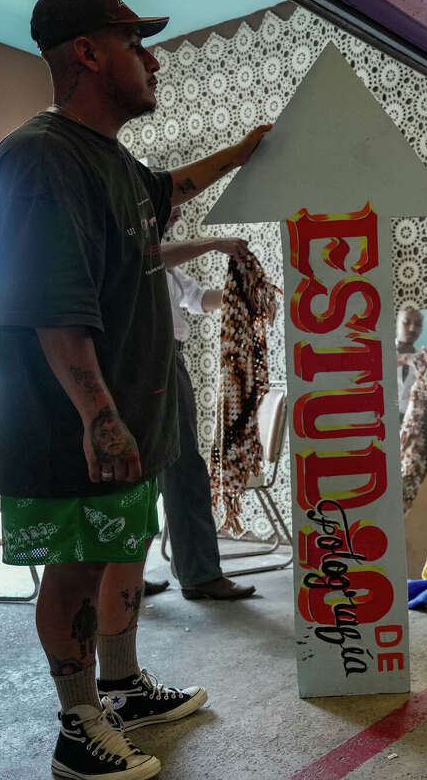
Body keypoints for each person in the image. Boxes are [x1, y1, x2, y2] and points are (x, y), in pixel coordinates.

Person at [0, 0, 270, 778]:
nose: (152, 61)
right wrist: (99, 417)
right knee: (77, 565)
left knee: (121, 549)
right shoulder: (42, 158)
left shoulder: (110, 160)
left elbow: (167, 192)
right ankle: (79, 726)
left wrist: (242, 153)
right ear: (88, 53)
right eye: (135, 45)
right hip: (67, 424)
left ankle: (123, 685)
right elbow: (53, 306)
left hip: (127, 415)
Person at [141, 209, 257, 601]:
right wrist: (215, 242)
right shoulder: (136, 245)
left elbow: (198, 299)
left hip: (164, 357)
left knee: (156, 469)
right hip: (152, 359)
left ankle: (125, 575)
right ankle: (199, 574)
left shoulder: (167, 268)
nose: (175, 217)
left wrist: (240, 295)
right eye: (169, 209)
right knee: (181, 467)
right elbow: (150, 253)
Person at [396, 307, 424, 417]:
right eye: (406, 323)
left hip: (408, 418)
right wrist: (404, 359)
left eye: (418, 324)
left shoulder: (423, 359)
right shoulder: (379, 350)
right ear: (396, 324)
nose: (412, 329)